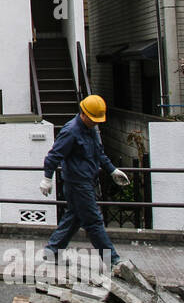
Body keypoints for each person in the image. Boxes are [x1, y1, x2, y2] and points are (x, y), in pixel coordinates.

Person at [39, 94, 129, 266]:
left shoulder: (91, 130)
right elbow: (54, 156)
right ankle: (113, 261)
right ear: (84, 114)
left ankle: (52, 251)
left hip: (86, 181)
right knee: (94, 221)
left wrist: (112, 170)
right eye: (93, 119)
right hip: (77, 183)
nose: (96, 122)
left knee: (74, 217)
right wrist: (46, 179)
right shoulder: (71, 131)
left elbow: (99, 153)